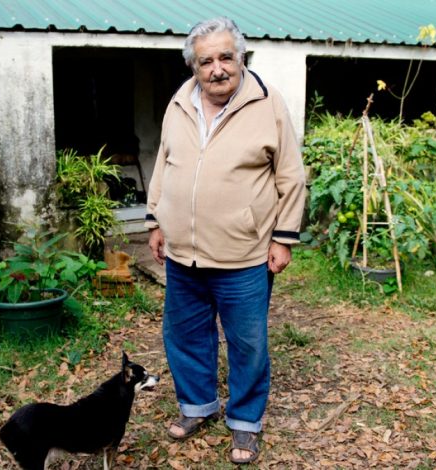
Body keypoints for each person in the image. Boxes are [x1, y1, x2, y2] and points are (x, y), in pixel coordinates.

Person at [144, 17, 306, 464]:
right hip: (183, 254)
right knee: (185, 334)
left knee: (247, 343)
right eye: (206, 61)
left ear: (241, 57)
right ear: (194, 67)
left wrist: (284, 236)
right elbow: (165, 163)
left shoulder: (267, 103)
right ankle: (198, 407)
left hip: (243, 254)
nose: (217, 69)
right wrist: (156, 220)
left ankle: (245, 423)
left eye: (225, 57)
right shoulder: (179, 101)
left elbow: (291, 175)